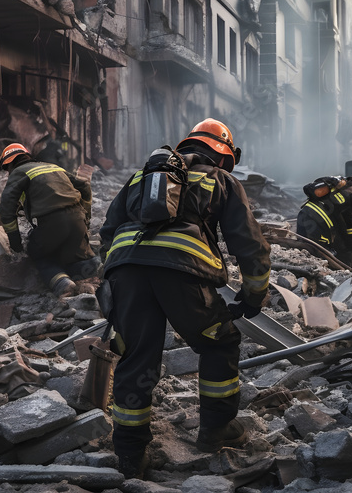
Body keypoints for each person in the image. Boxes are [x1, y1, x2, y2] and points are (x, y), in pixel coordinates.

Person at [99, 119, 271, 478]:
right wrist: (254, 294)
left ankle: (130, 454)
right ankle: (214, 429)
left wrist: (117, 276)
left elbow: (108, 230)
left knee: (136, 356)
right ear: (224, 154)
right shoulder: (221, 180)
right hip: (182, 272)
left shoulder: (141, 177)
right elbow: (250, 245)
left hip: (126, 269)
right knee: (218, 342)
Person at [0, 143, 97, 297]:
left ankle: (62, 284)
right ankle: (90, 277)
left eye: (6, 169)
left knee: (38, 252)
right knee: (76, 253)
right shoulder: (53, 167)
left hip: (52, 222)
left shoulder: (18, 172)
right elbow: (84, 185)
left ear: (9, 164)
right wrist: (86, 216)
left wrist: (15, 241)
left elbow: (6, 208)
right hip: (77, 220)